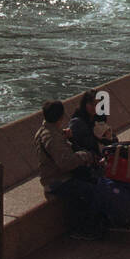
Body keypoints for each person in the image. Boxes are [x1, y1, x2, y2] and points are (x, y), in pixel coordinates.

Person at [35, 100, 106, 239]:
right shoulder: (51, 137)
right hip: (57, 180)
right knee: (90, 191)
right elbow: (66, 162)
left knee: (93, 181)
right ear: (61, 117)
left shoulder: (48, 130)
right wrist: (86, 156)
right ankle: (83, 230)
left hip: (57, 175)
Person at [69, 89, 117, 159]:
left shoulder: (98, 119)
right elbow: (77, 145)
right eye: (91, 104)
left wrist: (110, 138)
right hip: (88, 158)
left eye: (97, 105)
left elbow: (111, 140)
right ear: (85, 104)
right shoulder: (77, 123)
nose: (94, 108)